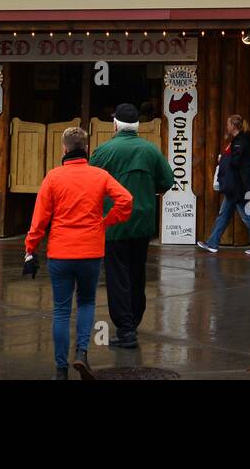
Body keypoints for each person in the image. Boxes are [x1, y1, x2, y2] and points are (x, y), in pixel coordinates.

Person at [23, 126, 132, 380]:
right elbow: (126, 200)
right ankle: (81, 354)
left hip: (60, 252)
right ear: (87, 149)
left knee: (61, 310)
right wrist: (106, 221)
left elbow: (39, 220)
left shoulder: (53, 177)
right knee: (86, 302)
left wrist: (30, 249)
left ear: (64, 148)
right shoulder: (100, 175)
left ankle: (61, 370)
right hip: (91, 252)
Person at [89, 102, 174, 349]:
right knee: (138, 274)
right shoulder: (151, 150)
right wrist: (148, 191)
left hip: (114, 223)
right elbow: (168, 181)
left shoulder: (103, 151)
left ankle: (125, 331)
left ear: (115, 124)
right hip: (143, 223)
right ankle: (133, 323)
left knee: (117, 277)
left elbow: (90, 184)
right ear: (137, 126)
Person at [197, 114, 250, 256]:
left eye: (229, 124)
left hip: (242, 188)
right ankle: (212, 243)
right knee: (224, 215)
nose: (227, 126)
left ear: (234, 126)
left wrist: (223, 158)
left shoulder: (240, 142)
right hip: (238, 187)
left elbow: (235, 162)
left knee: (248, 215)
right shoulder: (240, 140)